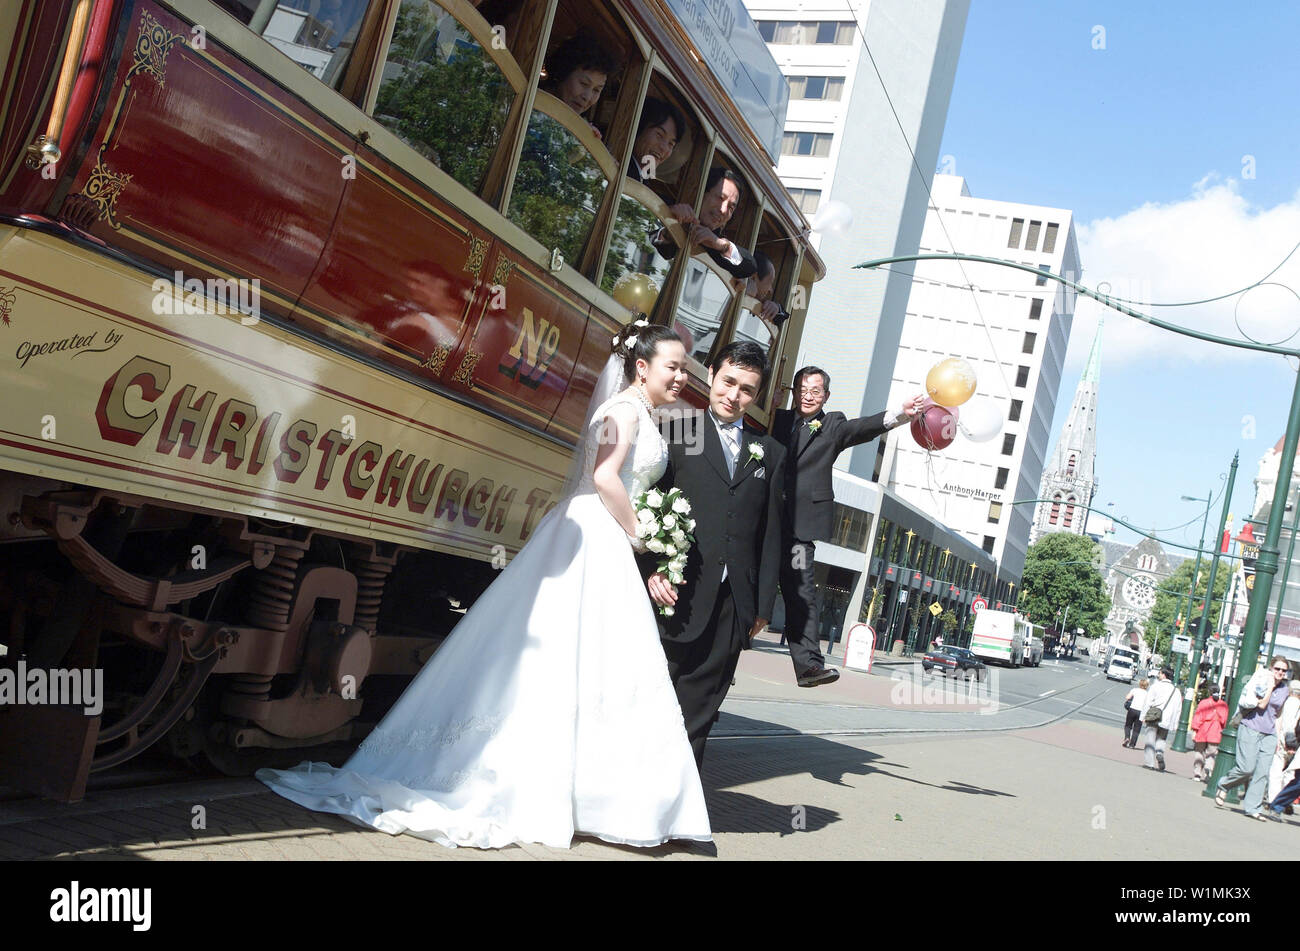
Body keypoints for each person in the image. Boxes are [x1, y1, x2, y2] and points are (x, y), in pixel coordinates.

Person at [255, 320, 713, 850]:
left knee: (579, 658)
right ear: (642, 366)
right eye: (673, 366)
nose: (680, 376)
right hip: (597, 534)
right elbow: (608, 477)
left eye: (683, 367)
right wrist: (641, 533)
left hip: (591, 533)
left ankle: (582, 790)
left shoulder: (637, 413)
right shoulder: (626, 412)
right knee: (577, 656)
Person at [645, 340, 785, 767]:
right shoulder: (674, 429)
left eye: (746, 389)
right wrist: (652, 569)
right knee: (649, 702)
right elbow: (645, 503)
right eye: (728, 382)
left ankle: (679, 815)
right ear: (711, 374)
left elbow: (772, 533)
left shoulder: (772, 454)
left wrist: (761, 607)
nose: (733, 395)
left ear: (756, 395)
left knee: (700, 714)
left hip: (732, 608)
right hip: (672, 594)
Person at [771, 366, 924, 686]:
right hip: (765, 521)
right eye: (802, 389)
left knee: (800, 590)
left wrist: (901, 414)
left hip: (799, 534)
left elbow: (863, 428)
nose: (807, 395)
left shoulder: (832, 425)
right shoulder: (777, 420)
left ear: (825, 396)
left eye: (815, 391)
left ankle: (809, 666)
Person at [1215, 656, 1292, 819]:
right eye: (1277, 669)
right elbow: (1262, 704)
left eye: (1283, 670)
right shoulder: (1262, 681)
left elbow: (1278, 714)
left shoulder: (1285, 689)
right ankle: (1224, 784)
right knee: (1246, 768)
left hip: (1269, 733)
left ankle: (1253, 808)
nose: (1280, 672)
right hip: (1250, 727)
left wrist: (1278, 737)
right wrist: (1270, 687)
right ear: (1271, 668)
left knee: (1263, 772)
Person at [652, 167, 757, 280]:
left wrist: (722, 246)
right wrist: (669, 225)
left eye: (731, 207)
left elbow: (749, 266)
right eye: (720, 198)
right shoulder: (663, 206)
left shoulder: (714, 244)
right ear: (702, 192)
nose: (723, 210)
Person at [540, 33, 617, 139]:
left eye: (596, 90)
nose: (587, 97)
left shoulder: (581, 131)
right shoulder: (533, 102)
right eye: (584, 84)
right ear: (563, 72)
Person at [628, 97, 685, 182]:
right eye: (659, 135)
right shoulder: (623, 169)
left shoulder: (642, 178)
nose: (664, 148)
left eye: (671, 144)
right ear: (639, 128)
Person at [1140, 666, 1181, 771]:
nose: (1158, 675)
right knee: (1161, 739)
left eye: (1160, 673)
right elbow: (1178, 709)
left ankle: (1150, 763)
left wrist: (1143, 715)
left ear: (1163, 674)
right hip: (1167, 720)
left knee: (1150, 739)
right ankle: (1159, 752)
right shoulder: (1176, 691)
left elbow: (1148, 702)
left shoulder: (1156, 686)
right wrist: (1175, 724)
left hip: (1154, 716)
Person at [1266, 679, 1300, 805]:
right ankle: (1277, 800)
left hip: (1281, 739)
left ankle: (1276, 799)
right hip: (1285, 741)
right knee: (1283, 771)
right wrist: (1290, 740)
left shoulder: (1288, 701)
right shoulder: (1293, 702)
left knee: (1279, 771)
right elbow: (1288, 724)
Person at [1190, 684, 1228, 780]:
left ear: (1209, 692)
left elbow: (1198, 717)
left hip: (1203, 729)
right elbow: (1224, 721)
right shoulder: (1223, 705)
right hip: (1216, 731)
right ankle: (1208, 769)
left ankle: (1197, 773)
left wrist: (1195, 730)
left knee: (1199, 752)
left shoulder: (1204, 703)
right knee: (1211, 754)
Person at [1122, 677, 1149, 749]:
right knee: (1137, 729)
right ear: (1147, 686)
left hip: (1132, 709)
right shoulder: (1147, 694)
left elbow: (1127, 697)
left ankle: (1127, 737)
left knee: (1128, 725)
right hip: (1141, 712)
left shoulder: (1135, 690)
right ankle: (1132, 744)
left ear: (1140, 684)